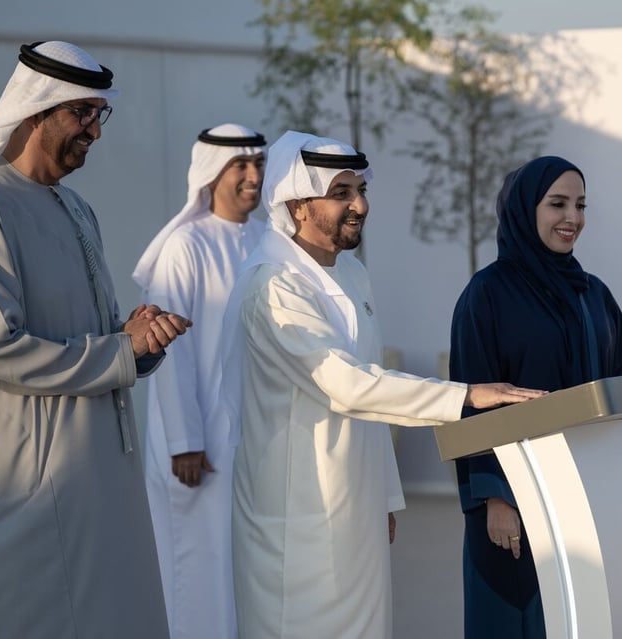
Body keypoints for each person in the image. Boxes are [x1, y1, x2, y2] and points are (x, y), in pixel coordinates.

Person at [217, 130, 545, 639]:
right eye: (342, 193)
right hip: (298, 515)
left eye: (361, 190)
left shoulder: (350, 272)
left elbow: (372, 391)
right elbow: (349, 385)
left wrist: (385, 497)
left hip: (358, 509)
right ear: (298, 206)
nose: (360, 205)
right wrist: (465, 395)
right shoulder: (273, 286)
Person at [0, 41, 191, 638]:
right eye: (81, 113)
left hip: (99, 478)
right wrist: (119, 349)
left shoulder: (77, 209)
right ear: (37, 111)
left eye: (99, 115)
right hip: (28, 483)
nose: (94, 132)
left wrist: (142, 339)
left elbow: (103, 338)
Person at [449, 155, 622, 639]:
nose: (572, 218)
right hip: (517, 497)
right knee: (515, 617)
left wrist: (610, 468)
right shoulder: (487, 294)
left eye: (580, 205)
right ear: (523, 209)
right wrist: (495, 495)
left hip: (585, 492)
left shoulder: (594, 296)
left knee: (582, 618)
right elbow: (470, 398)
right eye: (557, 203)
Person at [132, 123, 267, 639]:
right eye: (241, 165)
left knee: (242, 572)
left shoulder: (263, 241)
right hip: (196, 447)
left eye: (258, 163)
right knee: (196, 573)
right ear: (213, 173)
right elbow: (169, 351)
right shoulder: (185, 247)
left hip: (249, 440)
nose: (253, 175)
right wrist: (186, 442)